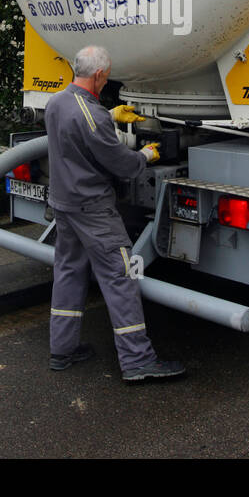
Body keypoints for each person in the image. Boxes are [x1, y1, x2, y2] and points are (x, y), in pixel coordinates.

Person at [43, 45, 185, 382]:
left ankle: (61, 351)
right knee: (120, 278)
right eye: (105, 77)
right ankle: (137, 361)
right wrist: (146, 156)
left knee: (68, 272)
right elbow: (121, 164)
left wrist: (109, 114)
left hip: (64, 204)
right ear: (99, 75)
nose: (107, 82)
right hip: (92, 209)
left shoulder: (57, 102)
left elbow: (80, 126)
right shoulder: (92, 116)